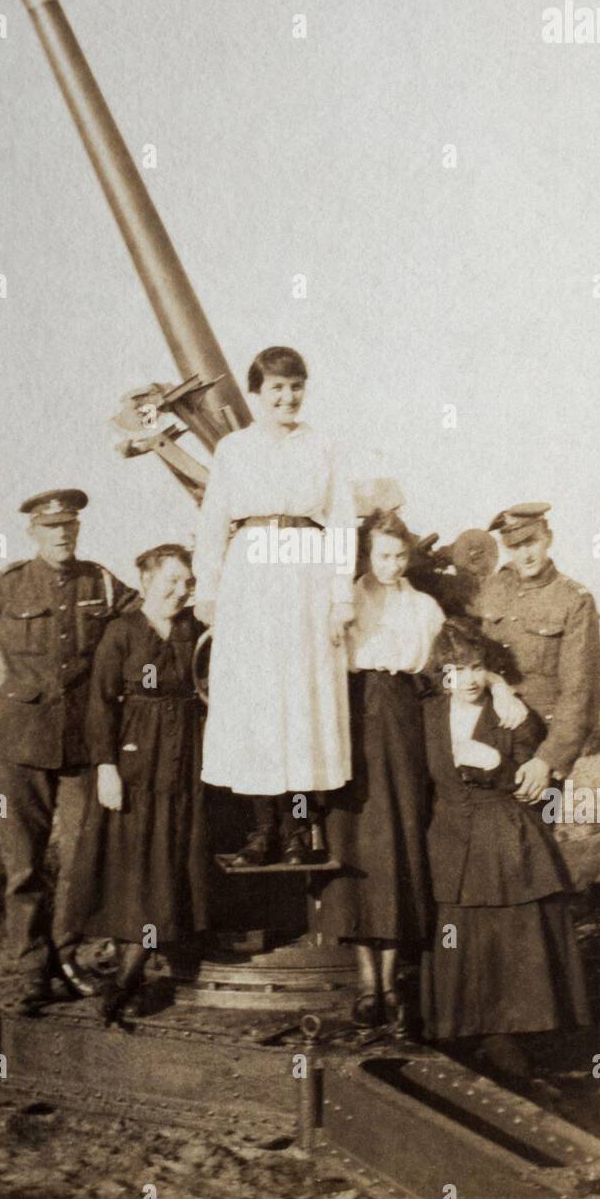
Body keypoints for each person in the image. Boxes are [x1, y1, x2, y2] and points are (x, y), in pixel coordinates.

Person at [0, 489, 138, 1011]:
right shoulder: (9, 585)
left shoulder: (101, 582)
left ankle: (69, 956)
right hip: (19, 739)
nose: (63, 535)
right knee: (24, 865)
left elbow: (144, 620)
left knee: (84, 859)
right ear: (33, 534)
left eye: (70, 527)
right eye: (52, 528)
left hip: (85, 743)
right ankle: (31, 968)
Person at [323, 514, 529, 1031]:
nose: (391, 566)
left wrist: (500, 687)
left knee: (398, 843)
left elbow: (460, 665)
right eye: (382, 556)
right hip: (349, 716)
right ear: (366, 555)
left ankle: (388, 985)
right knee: (352, 843)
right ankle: (365, 982)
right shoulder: (343, 600)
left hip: (405, 720)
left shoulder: (424, 607)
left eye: (399, 556)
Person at [193, 346, 355, 866]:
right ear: (257, 395)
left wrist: (341, 596)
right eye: (277, 388)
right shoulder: (234, 450)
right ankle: (262, 830)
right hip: (252, 571)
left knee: (302, 697)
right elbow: (214, 522)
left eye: (296, 386)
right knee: (258, 697)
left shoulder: (324, 446)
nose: (288, 397)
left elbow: (343, 522)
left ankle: (297, 831)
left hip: (307, 564)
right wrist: (209, 589)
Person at [420, 617, 591, 1079]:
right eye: (457, 669)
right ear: (442, 672)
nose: (469, 678)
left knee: (508, 938)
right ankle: (465, 1034)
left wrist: (496, 763)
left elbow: (531, 785)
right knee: (459, 938)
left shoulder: (512, 714)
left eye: (478, 667)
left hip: (504, 836)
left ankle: (511, 1039)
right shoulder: (428, 715)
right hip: (450, 838)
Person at [66, 545, 209, 1025]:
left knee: (167, 868)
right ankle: (124, 982)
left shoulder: (195, 631)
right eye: (169, 581)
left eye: (187, 582)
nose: (179, 590)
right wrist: (105, 767)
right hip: (133, 761)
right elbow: (101, 704)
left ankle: (129, 978)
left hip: (183, 761)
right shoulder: (122, 632)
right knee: (133, 874)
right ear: (145, 582)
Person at [476, 503, 600, 804]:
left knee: (534, 843)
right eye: (514, 546)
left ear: (548, 537)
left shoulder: (574, 600)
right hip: (489, 733)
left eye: (531, 542)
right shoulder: (492, 588)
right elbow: (470, 654)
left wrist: (548, 760)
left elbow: (580, 691)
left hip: (538, 745)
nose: (525, 554)